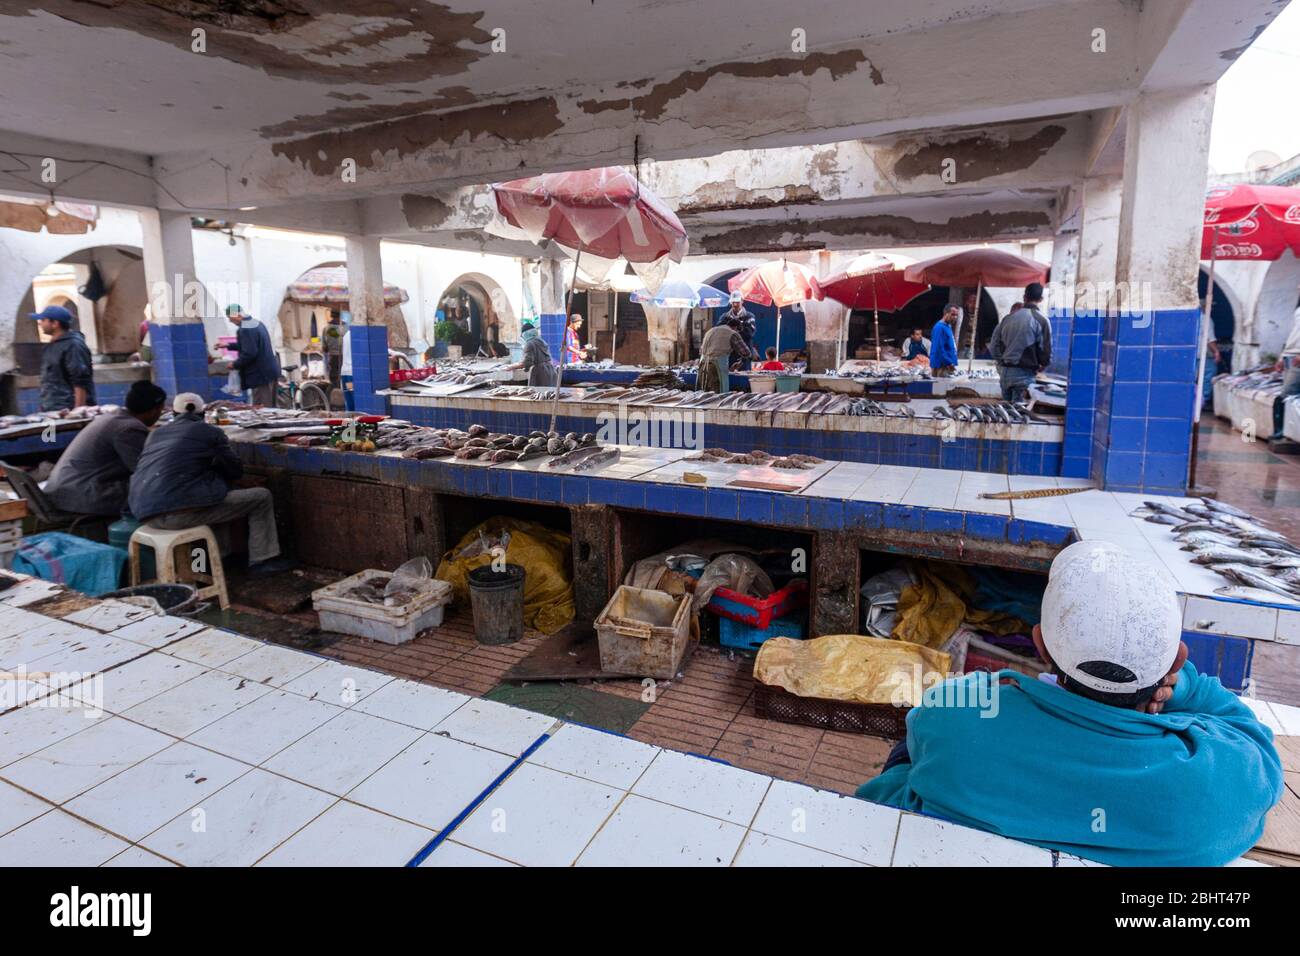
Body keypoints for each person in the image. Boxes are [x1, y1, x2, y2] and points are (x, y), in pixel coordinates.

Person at [857, 542, 1282, 867]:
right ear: (1176, 660)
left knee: (911, 762)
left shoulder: (958, 718)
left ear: (1039, 645)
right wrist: (1184, 687)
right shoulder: (1222, 788)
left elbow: (915, 745)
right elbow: (1252, 739)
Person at [128, 393, 290, 575]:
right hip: (176, 514)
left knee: (213, 498)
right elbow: (234, 470)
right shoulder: (210, 432)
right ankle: (262, 560)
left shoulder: (155, 434)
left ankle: (216, 560)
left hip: (144, 512)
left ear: (173, 414)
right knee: (261, 497)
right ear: (203, 414)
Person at [44, 380, 166, 517]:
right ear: (153, 411)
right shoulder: (129, 429)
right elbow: (144, 471)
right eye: (161, 410)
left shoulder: (112, 418)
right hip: (82, 496)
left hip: (63, 491)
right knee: (156, 488)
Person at [988, 282, 1051, 402]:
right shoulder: (1042, 320)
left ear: (1024, 297)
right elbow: (1046, 353)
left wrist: (1002, 362)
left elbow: (994, 346)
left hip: (1005, 374)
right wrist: (1042, 365)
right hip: (1025, 375)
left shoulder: (1007, 319)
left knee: (1006, 414)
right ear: (1041, 299)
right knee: (1020, 415)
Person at [30, 304, 95, 411]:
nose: (40, 323)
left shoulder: (74, 345)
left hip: (68, 409)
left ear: (55, 323)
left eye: (43, 320)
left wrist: (78, 412)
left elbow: (80, 380)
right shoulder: (51, 346)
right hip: (53, 409)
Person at [226, 304, 281, 407]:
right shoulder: (256, 323)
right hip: (270, 371)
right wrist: (228, 345)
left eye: (231, 318)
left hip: (261, 375)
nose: (230, 321)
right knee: (272, 408)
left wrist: (235, 364)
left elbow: (249, 353)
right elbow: (249, 345)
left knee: (263, 410)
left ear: (237, 315)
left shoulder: (246, 329)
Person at [1268, 308, 1300, 442]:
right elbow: (1294, 333)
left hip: (1296, 356)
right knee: (1285, 395)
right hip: (1289, 354)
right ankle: (1281, 430)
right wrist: (1282, 356)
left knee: (1287, 394)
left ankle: (1281, 432)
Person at [698, 316, 748, 392]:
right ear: (735, 327)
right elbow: (746, 353)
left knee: (704, 396)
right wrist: (740, 362)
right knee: (717, 398)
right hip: (716, 369)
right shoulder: (732, 333)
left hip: (702, 366)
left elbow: (701, 351)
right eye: (738, 331)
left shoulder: (711, 330)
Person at [509, 321, 557, 387]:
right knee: (550, 394)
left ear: (525, 334)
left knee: (539, 394)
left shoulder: (529, 344)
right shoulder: (541, 341)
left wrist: (511, 367)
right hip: (550, 370)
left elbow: (527, 362)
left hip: (541, 373)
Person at [929, 306, 959, 377]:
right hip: (941, 365)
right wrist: (948, 362)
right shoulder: (939, 328)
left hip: (946, 364)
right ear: (946, 313)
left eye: (956, 315)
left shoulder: (948, 326)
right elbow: (939, 348)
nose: (955, 317)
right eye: (953, 314)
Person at [321, 310, 344, 389]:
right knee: (343, 376)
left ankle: (335, 391)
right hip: (343, 356)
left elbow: (324, 348)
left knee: (334, 377)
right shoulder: (343, 329)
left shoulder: (326, 329)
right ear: (340, 317)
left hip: (333, 356)